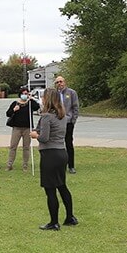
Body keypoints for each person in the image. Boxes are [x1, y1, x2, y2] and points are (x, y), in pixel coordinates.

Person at [31, 87, 77, 230]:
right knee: (62, 186)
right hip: (61, 153)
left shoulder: (47, 116)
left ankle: (53, 222)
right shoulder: (62, 116)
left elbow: (44, 137)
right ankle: (70, 217)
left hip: (50, 154)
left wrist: (35, 135)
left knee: (50, 189)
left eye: (44, 97)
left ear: (48, 99)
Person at [4, 86, 38, 171]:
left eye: (26, 94)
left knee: (26, 147)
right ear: (20, 94)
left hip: (27, 128)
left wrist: (31, 99)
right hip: (17, 128)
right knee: (13, 146)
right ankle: (9, 164)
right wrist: (14, 110)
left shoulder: (30, 103)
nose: (24, 95)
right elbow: (8, 114)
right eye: (23, 93)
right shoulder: (15, 103)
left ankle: (25, 165)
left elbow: (37, 107)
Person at [54, 75, 80, 173]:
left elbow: (75, 107)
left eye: (61, 81)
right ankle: (59, 166)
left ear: (64, 82)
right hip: (57, 122)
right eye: (57, 82)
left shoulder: (71, 93)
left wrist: (73, 120)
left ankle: (71, 166)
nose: (59, 84)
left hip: (68, 122)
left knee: (68, 143)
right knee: (57, 144)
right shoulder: (54, 94)